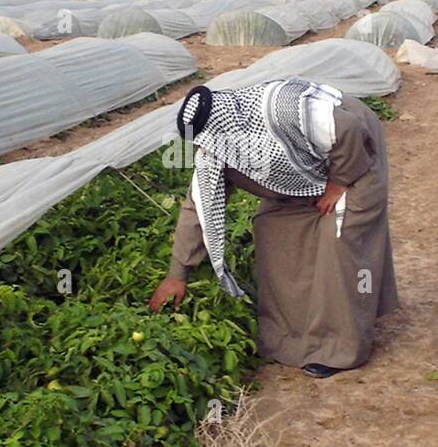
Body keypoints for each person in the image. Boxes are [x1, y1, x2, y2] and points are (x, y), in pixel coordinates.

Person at [149, 76, 398, 378]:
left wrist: (339, 181)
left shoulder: (280, 111)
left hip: (352, 157)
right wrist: (177, 274)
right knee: (272, 232)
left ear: (223, 125)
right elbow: (198, 207)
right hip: (301, 177)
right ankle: (291, 335)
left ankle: (338, 348)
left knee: (340, 240)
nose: (208, 149)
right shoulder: (218, 148)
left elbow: (348, 130)